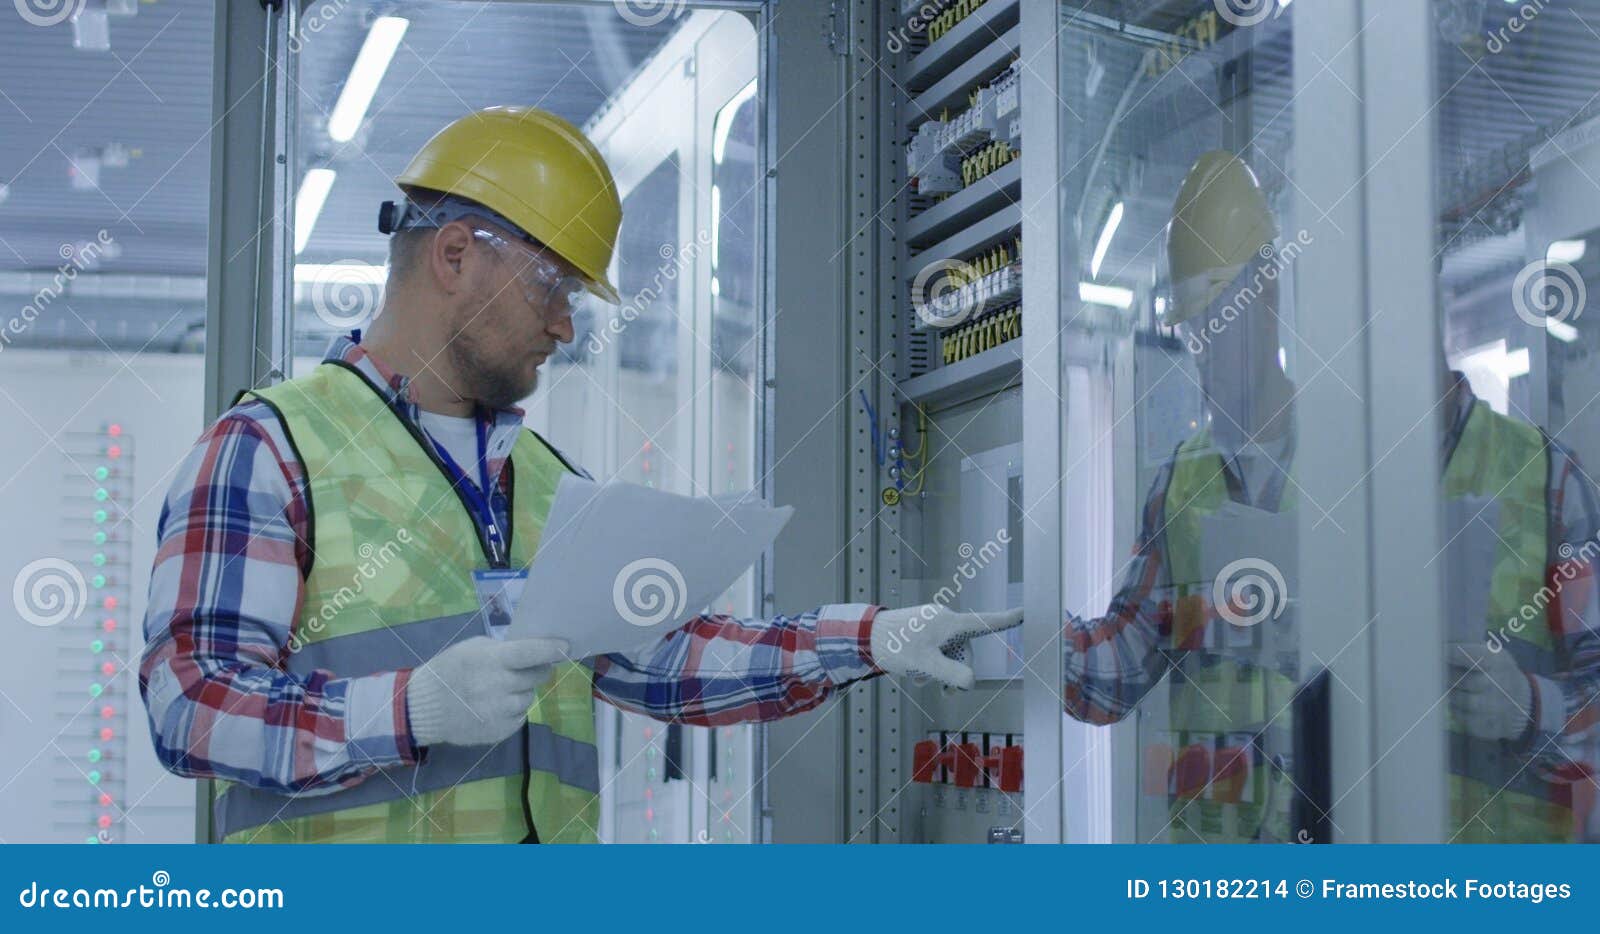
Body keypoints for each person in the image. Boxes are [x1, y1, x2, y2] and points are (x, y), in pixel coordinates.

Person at [139, 106, 1018, 844]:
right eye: (552, 286)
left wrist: (865, 639)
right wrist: (408, 710)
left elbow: (661, 657)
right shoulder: (271, 449)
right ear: (455, 255)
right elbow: (191, 704)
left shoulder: (543, 479)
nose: (565, 326)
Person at [1060, 149, 1600, 843]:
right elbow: (1118, 669)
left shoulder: (1549, 483)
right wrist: (1026, 636)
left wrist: (1530, 707)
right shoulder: (1311, 475)